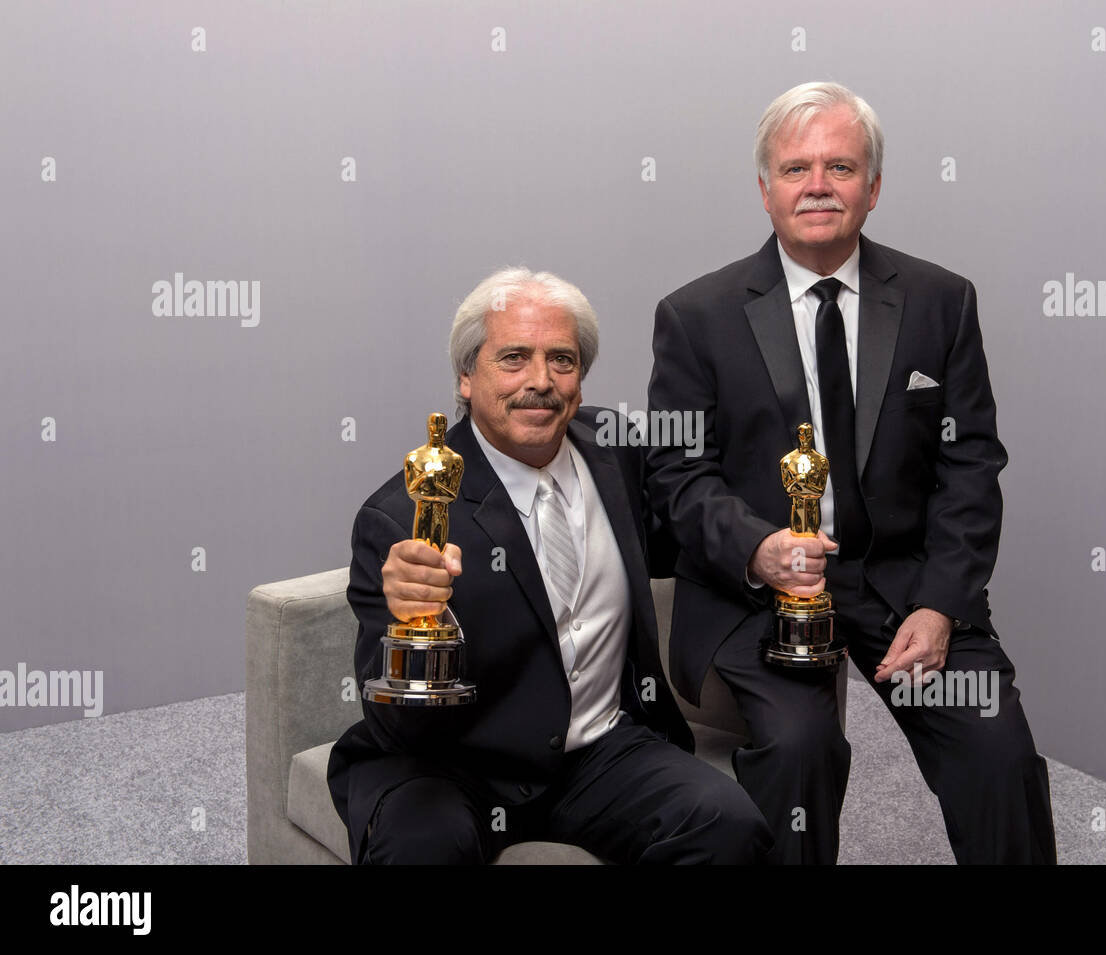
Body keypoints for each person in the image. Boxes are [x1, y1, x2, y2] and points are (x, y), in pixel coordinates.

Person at [646, 81, 1057, 864]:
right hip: (761, 590)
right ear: (765, 189)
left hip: (903, 582)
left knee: (996, 749)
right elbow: (677, 471)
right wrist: (760, 548)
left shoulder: (941, 302)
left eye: (840, 166)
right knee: (801, 749)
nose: (818, 186)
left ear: (873, 188)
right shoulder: (695, 316)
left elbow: (971, 465)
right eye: (797, 168)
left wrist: (941, 605)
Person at [328, 267, 771, 864]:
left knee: (730, 823)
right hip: (455, 765)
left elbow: (691, 535)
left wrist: (770, 556)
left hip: (601, 752)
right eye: (513, 358)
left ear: (581, 379)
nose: (540, 381)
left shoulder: (616, 453)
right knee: (420, 850)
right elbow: (395, 730)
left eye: (561, 360)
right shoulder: (403, 517)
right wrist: (406, 629)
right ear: (465, 376)